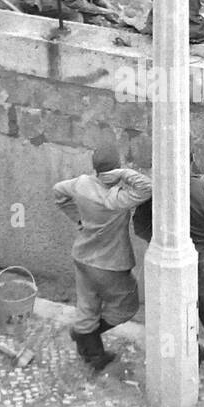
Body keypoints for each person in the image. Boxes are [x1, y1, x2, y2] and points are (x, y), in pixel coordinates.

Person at [132, 154, 204, 371]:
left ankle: (190, 351)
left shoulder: (156, 190)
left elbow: (139, 225)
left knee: (178, 307)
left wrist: (162, 242)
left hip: (170, 255)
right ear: (192, 160)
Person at [53, 145, 152, 371]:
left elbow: (58, 191)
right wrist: (123, 173)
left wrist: (77, 218)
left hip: (83, 256)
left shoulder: (81, 184)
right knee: (126, 306)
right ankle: (84, 335)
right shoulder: (116, 198)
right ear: (116, 167)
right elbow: (147, 188)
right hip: (110, 263)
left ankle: (94, 353)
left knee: (87, 306)